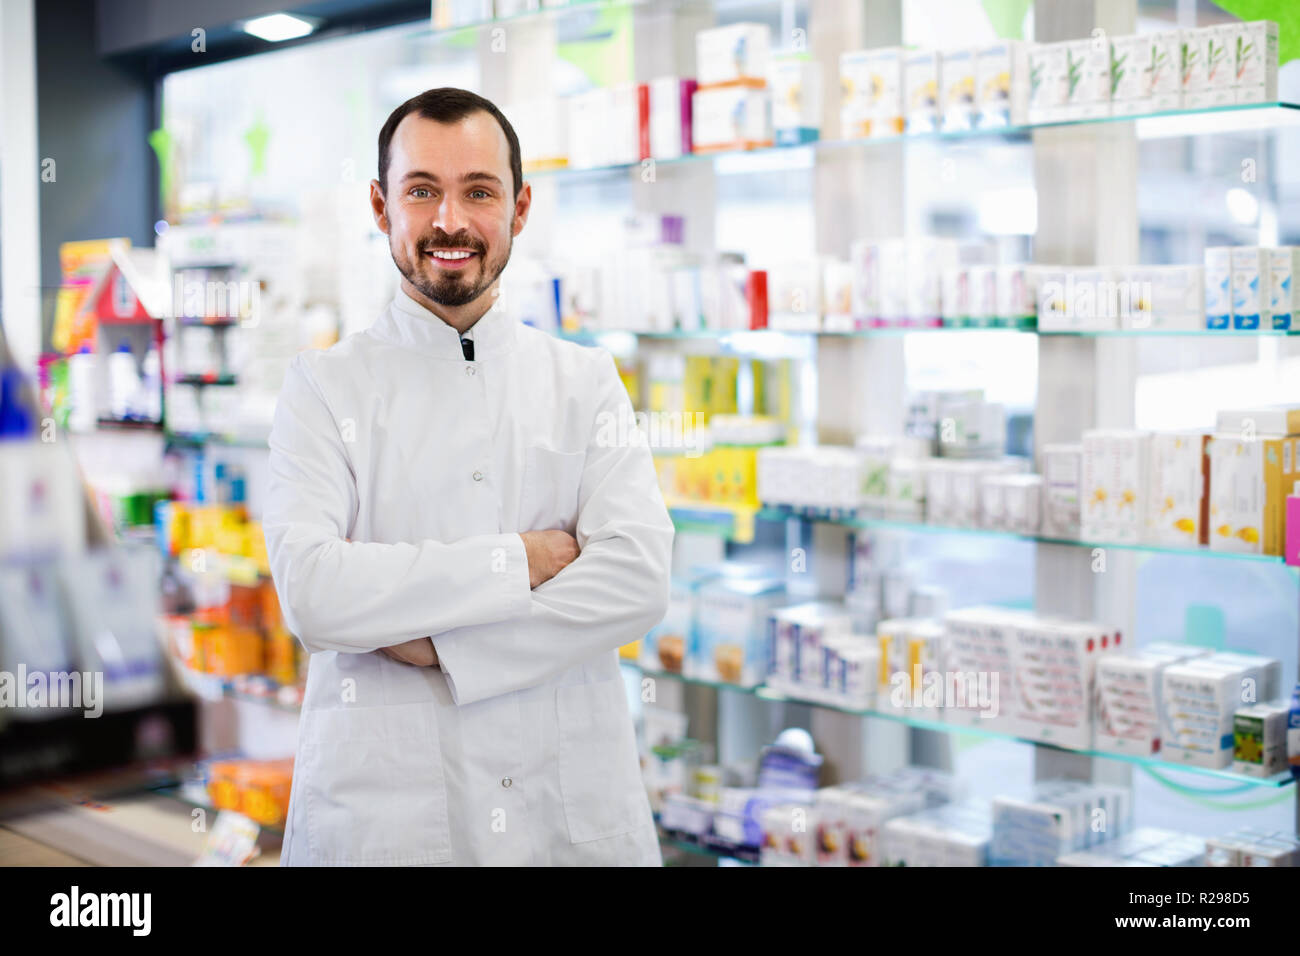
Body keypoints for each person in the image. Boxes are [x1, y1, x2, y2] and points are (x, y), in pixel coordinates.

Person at [263, 87, 674, 866]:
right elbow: (314, 592)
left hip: (567, 815)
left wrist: (444, 649)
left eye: (478, 192)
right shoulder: (322, 387)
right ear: (382, 205)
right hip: (387, 823)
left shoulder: (584, 381)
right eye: (422, 191)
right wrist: (524, 558)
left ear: (519, 209)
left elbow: (639, 578)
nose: (449, 221)